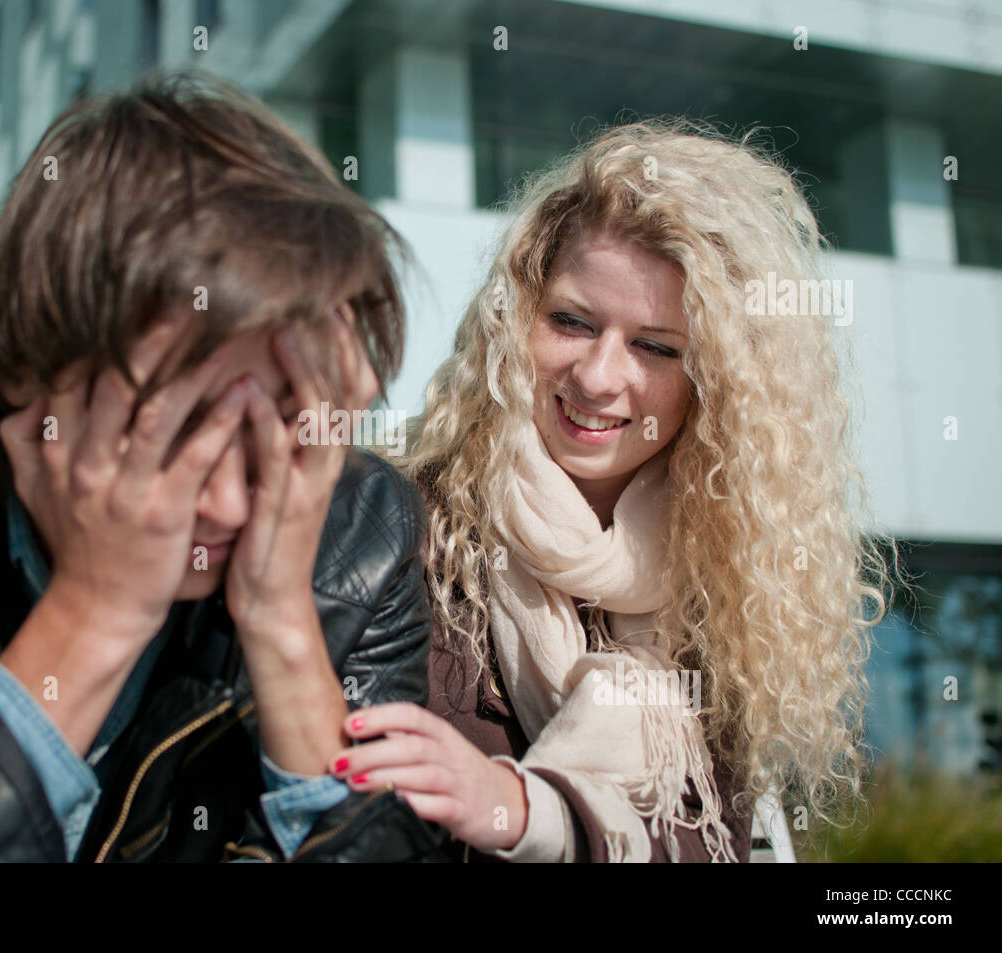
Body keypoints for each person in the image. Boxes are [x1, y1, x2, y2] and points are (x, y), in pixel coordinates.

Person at [0, 72, 449, 863]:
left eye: (279, 431)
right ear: (32, 369)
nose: (230, 504)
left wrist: (286, 630)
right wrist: (95, 617)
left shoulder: (364, 531)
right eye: (183, 432)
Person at [326, 120, 890, 862]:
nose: (597, 376)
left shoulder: (723, 590)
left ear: (715, 383)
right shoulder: (388, 528)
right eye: (570, 321)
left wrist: (530, 813)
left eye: (655, 346)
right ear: (515, 317)